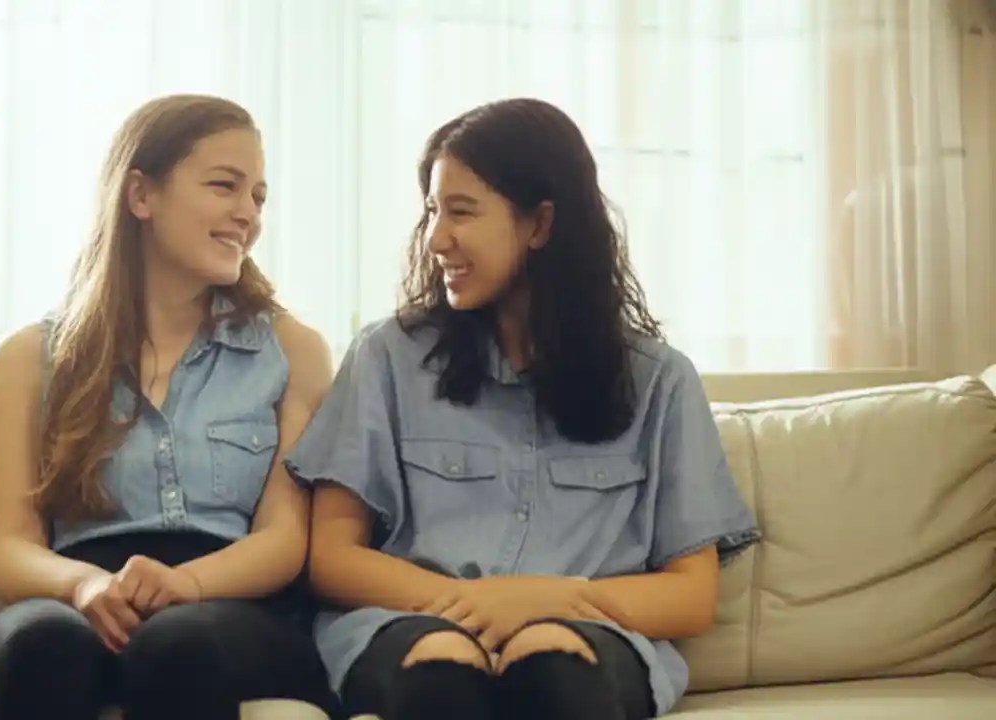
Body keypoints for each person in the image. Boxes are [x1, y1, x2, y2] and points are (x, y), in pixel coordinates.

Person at [286, 98, 761, 720]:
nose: (435, 238)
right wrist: (473, 603)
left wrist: (546, 599)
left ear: (539, 225)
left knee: (553, 664)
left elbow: (692, 595)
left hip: (588, 635)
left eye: (461, 212)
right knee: (441, 669)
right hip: (412, 623)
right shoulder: (387, 356)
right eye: (432, 211)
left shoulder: (659, 381)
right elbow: (332, 555)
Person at [0, 94, 336, 720]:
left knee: (175, 645)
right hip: (76, 596)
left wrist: (189, 585)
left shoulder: (293, 352)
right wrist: (84, 585)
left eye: (258, 196)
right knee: (37, 644)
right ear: (141, 196)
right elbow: (11, 551)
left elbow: (285, 540)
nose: (247, 215)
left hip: (230, 603)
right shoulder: (26, 358)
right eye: (225, 186)